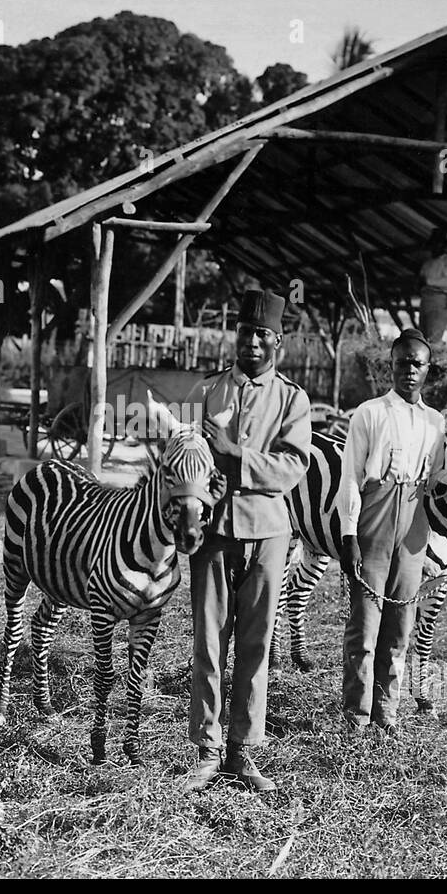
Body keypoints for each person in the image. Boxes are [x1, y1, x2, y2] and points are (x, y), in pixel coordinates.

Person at [183, 288, 311, 793]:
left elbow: (292, 467)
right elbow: (187, 458)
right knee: (209, 643)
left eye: (262, 334)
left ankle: (242, 751)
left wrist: (235, 456)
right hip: (214, 535)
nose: (252, 342)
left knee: (256, 646)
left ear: (278, 341)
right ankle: (207, 749)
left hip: (268, 535)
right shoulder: (207, 392)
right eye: (245, 331)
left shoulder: (292, 399)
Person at [337, 328, 447, 736]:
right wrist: (349, 533)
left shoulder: (434, 421)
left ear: (428, 370)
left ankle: (387, 714)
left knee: (401, 622)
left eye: (417, 364)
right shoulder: (368, 413)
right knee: (365, 623)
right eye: (402, 362)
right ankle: (357, 714)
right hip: (375, 514)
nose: (409, 370)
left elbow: (438, 474)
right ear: (391, 365)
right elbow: (351, 477)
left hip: (414, 519)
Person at [417, 229, 447, 345]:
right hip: (425, 300)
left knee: (434, 337)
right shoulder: (427, 263)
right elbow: (420, 281)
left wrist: (428, 281)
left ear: (444, 245)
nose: (435, 246)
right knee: (422, 337)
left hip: (439, 300)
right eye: (433, 244)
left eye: (438, 243)